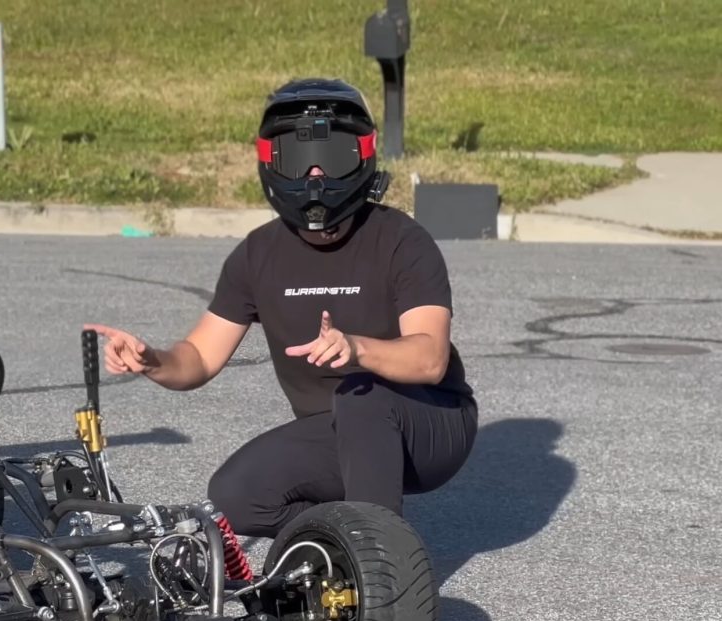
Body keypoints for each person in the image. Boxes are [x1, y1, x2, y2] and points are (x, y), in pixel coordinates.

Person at [86, 77, 478, 538]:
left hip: (431, 425)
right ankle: (332, 547)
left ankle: (377, 559)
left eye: (331, 158)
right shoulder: (257, 255)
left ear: (362, 156)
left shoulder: (402, 241)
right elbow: (198, 359)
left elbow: (430, 358)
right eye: (298, 159)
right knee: (235, 497)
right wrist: (152, 360)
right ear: (271, 163)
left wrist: (357, 350)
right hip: (338, 429)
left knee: (362, 395)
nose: (315, 175)